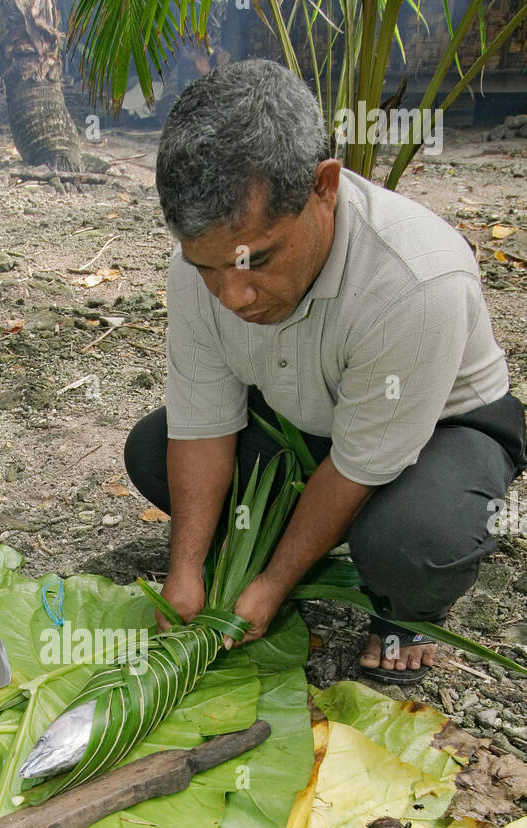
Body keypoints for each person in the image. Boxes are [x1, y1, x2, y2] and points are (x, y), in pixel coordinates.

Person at [125, 60, 527, 684]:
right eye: (208, 268)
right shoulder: (204, 268)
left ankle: (404, 611)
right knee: (152, 452)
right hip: (307, 419)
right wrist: (185, 573)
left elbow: (361, 462)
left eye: (258, 260)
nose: (233, 296)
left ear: (324, 187)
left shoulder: (416, 282)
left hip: (441, 433)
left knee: (413, 544)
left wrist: (273, 583)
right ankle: (309, 543)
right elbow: (202, 422)